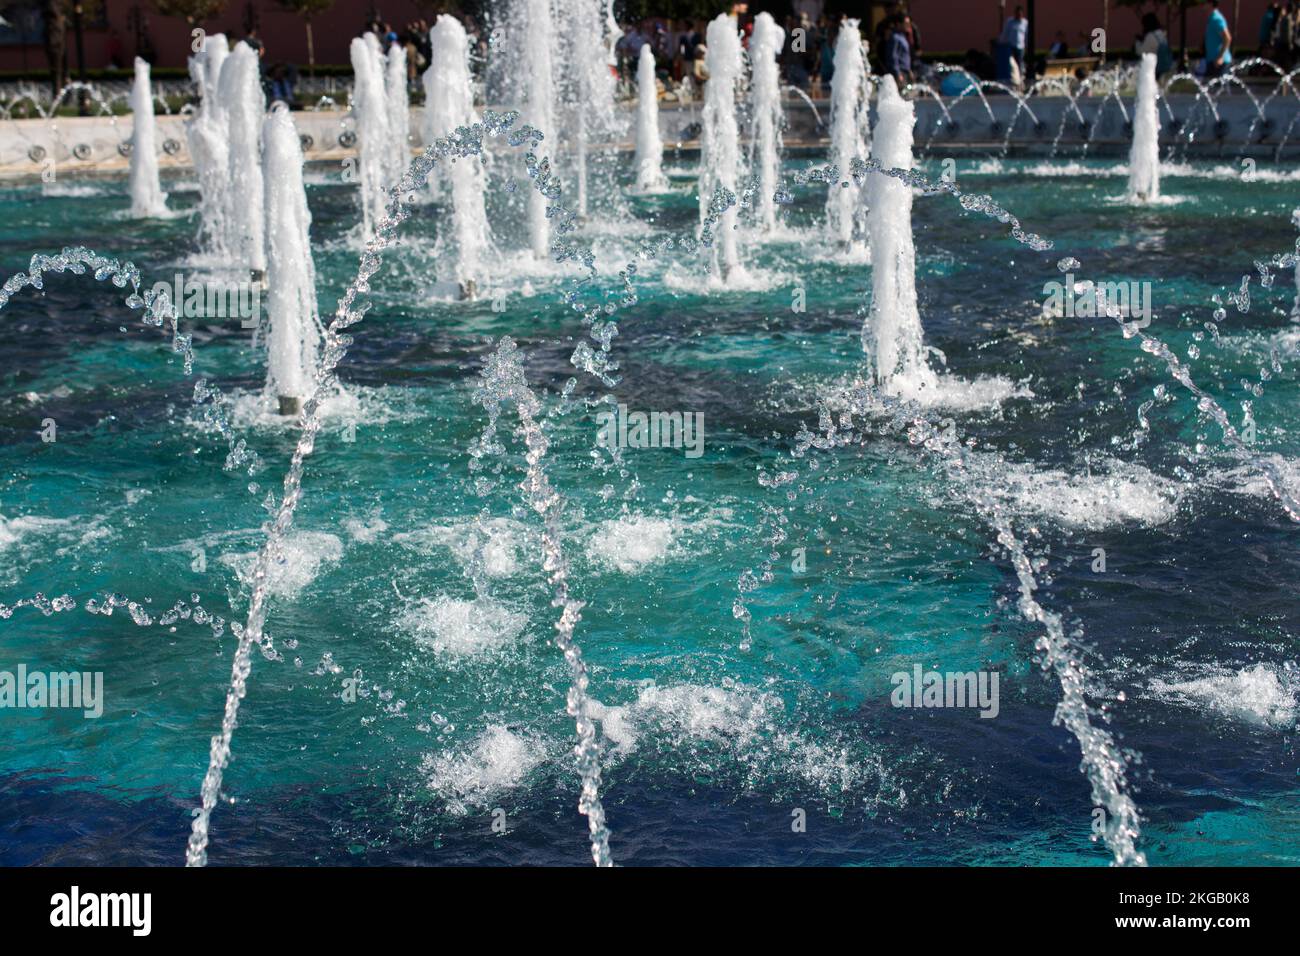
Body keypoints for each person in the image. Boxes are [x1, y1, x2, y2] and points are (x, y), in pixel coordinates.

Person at [1137, 13, 1173, 77]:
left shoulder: (1150, 36)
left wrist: (1137, 42)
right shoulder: (1162, 34)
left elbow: (1140, 52)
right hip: (1165, 66)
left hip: (1154, 68)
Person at [1205, 0, 1233, 77]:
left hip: (1219, 63)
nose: (1203, 4)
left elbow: (1227, 38)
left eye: (1205, 2)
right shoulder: (1211, 18)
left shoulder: (1216, 19)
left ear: (1210, 4)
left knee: (1219, 88)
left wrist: (1220, 57)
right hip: (1212, 60)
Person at [999, 5, 1027, 73]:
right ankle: (1011, 76)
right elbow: (1005, 32)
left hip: (1020, 46)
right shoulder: (1010, 22)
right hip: (1011, 46)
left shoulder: (1025, 23)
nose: (1018, 15)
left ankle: (1019, 76)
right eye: (1017, 13)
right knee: (1011, 62)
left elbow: (1026, 35)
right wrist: (1001, 41)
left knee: (1019, 62)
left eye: (1020, 13)